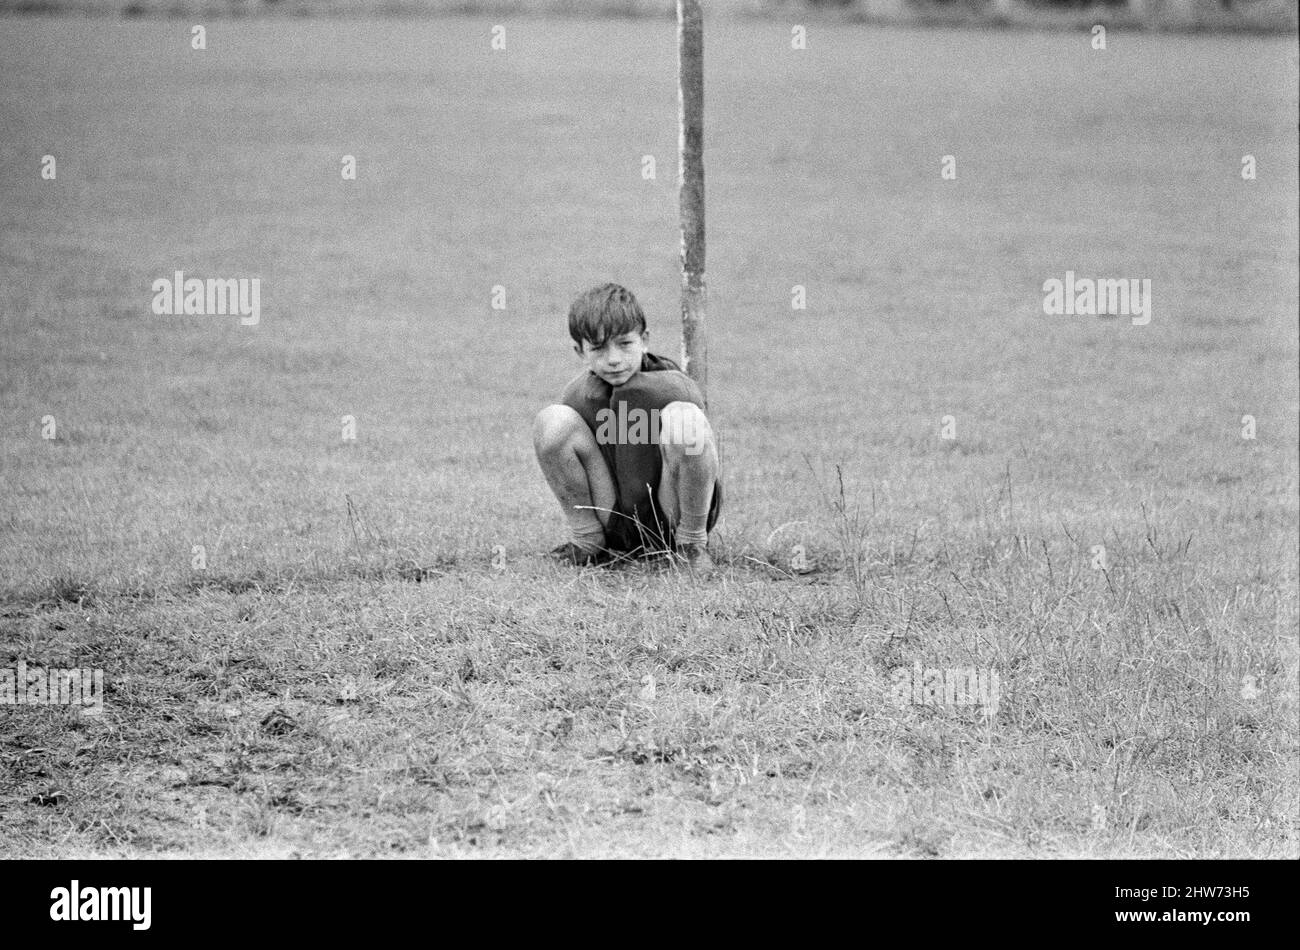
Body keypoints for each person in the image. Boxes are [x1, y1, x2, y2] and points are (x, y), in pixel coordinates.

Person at [533, 284, 721, 572]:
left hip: (671, 513)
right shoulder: (578, 395)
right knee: (552, 421)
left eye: (624, 344)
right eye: (598, 347)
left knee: (687, 422)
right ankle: (587, 539)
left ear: (644, 340)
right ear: (579, 351)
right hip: (614, 515)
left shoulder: (675, 386)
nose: (613, 359)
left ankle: (692, 546)